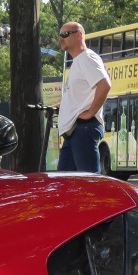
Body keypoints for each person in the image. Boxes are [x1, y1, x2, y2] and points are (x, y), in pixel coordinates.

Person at [57, 22, 111, 173]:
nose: (61, 39)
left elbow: (105, 85)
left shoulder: (87, 58)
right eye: (60, 35)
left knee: (88, 180)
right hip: (73, 131)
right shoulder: (77, 61)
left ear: (79, 35)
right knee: (64, 182)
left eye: (65, 34)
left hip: (83, 129)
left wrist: (90, 113)